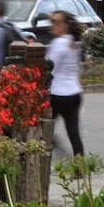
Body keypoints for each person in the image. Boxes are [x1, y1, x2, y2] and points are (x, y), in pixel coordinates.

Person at [46, 11, 85, 158]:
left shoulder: (58, 43)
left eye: (56, 22)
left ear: (65, 25)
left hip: (57, 94)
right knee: (73, 132)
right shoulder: (74, 43)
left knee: (43, 129)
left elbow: (49, 67)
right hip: (74, 92)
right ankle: (80, 166)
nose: (52, 26)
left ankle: (45, 158)